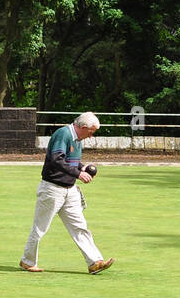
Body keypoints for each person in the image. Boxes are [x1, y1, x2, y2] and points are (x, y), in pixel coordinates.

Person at [19, 112, 114, 275]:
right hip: (52, 189)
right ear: (83, 127)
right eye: (91, 132)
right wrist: (78, 174)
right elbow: (57, 159)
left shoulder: (78, 139)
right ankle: (27, 261)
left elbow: (71, 160)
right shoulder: (63, 134)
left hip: (70, 190)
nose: (91, 136)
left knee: (79, 226)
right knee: (40, 227)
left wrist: (82, 167)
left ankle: (94, 262)